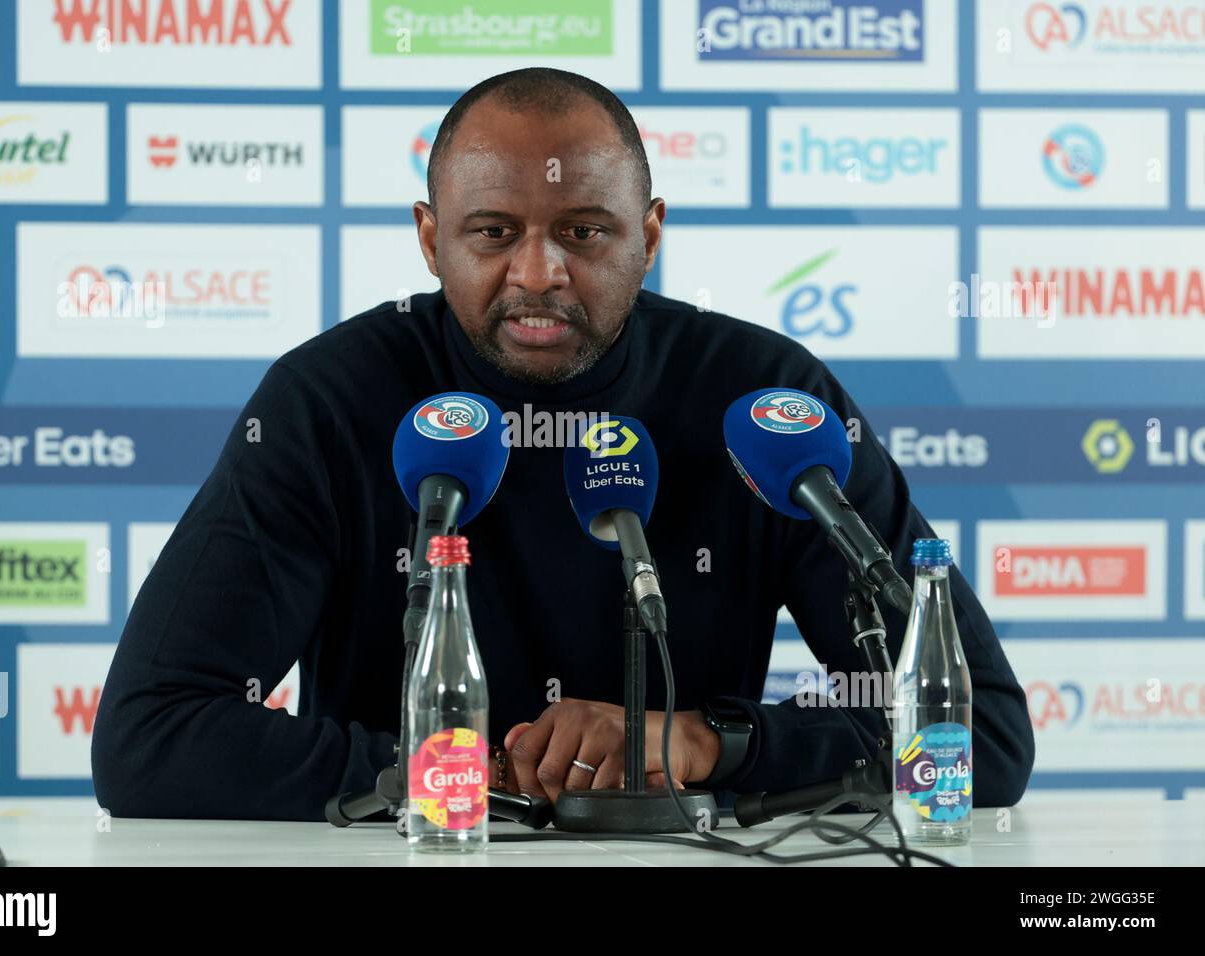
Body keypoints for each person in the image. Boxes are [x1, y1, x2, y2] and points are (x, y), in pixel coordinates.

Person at [92, 68, 1034, 821]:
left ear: (650, 235)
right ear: (429, 238)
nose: (538, 273)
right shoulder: (328, 401)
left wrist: (703, 742)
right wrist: (481, 775)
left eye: (583, 232)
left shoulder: (764, 400)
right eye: (493, 233)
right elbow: (149, 739)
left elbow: (980, 734)